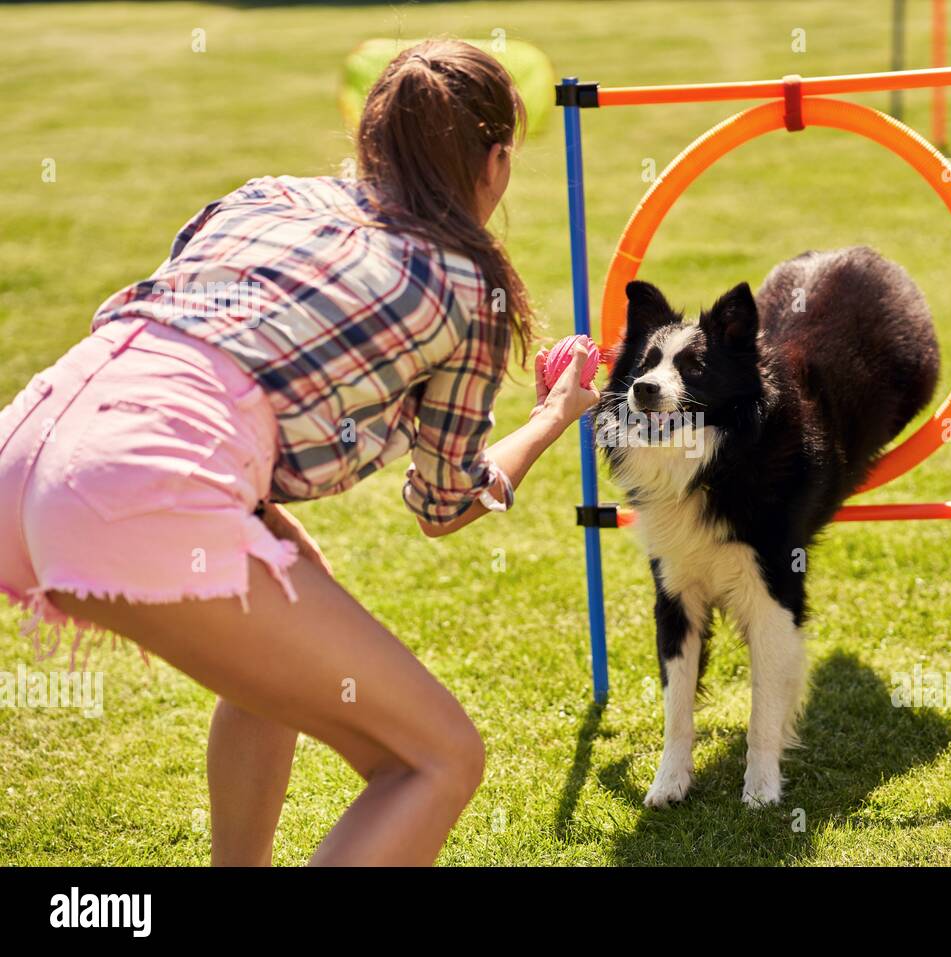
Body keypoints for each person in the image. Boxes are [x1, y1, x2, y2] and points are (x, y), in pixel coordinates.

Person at [0, 38, 597, 866]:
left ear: (369, 140)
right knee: (437, 758)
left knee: (293, 579)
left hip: (31, 439)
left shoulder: (267, 195)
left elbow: (188, 343)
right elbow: (447, 503)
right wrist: (555, 415)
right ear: (496, 163)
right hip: (132, 474)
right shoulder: (466, 283)